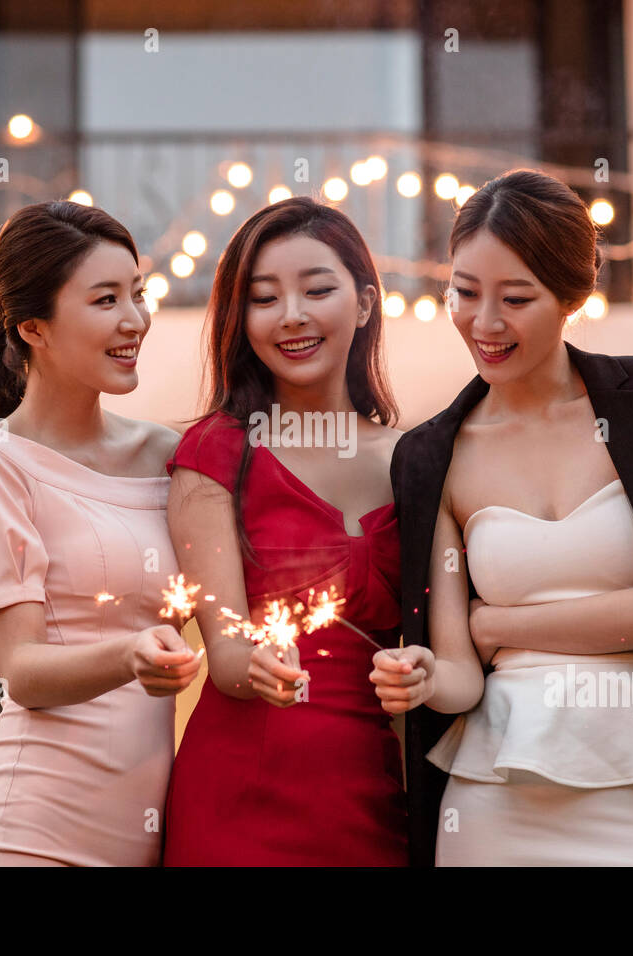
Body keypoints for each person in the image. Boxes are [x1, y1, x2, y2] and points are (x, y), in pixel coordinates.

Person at [377, 169, 633, 866]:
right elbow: (464, 675)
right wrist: (422, 675)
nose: (485, 323)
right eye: (464, 292)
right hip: (493, 788)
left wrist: (496, 623)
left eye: (516, 298)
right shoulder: (431, 454)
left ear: (573, 296)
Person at [0, 199, 202, 866]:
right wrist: (129, 655)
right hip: (29, 839)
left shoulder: (171, 457)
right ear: (34, 326)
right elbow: (22, 671)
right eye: (105, 300)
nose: (135, 321)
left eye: (138, 295)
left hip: (142, 842)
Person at [161, 197, 410, 865]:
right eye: (265, 298)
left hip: (379, 795)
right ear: (241, 322)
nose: (292, 315)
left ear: (363, 303)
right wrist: (258, 665)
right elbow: (228, 650)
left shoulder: (415, 460)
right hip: (243, 796)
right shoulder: (216, 450)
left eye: (317, 290)